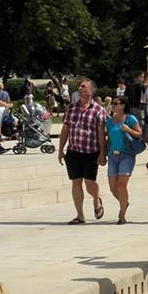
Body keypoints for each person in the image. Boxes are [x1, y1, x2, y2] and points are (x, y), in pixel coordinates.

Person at [56, 79, 108, 225]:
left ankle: (96, 200)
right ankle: (80, 215)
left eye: (83, 86)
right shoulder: (71, 108)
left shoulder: (98, 110)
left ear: (91, 91)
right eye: (80, 86)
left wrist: (102, 153)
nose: (80, 88)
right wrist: (60, 150)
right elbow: (65, 129)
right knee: (76, 182)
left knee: (90, 183)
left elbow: (101, 133)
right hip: (73, 150)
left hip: (91, 152)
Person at [104, 97, 143, 224]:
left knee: (122, 184)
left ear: (123, 106)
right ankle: (124, 202)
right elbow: (109, 139)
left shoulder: (130, 119)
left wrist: (128, 129)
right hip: (112, 156)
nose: (113, 106)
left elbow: (139, 134)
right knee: (113, 188)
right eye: (113, 104)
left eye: (116, 103)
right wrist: (103, 154)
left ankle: (122, 214)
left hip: (127, 155)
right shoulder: (109, 122)